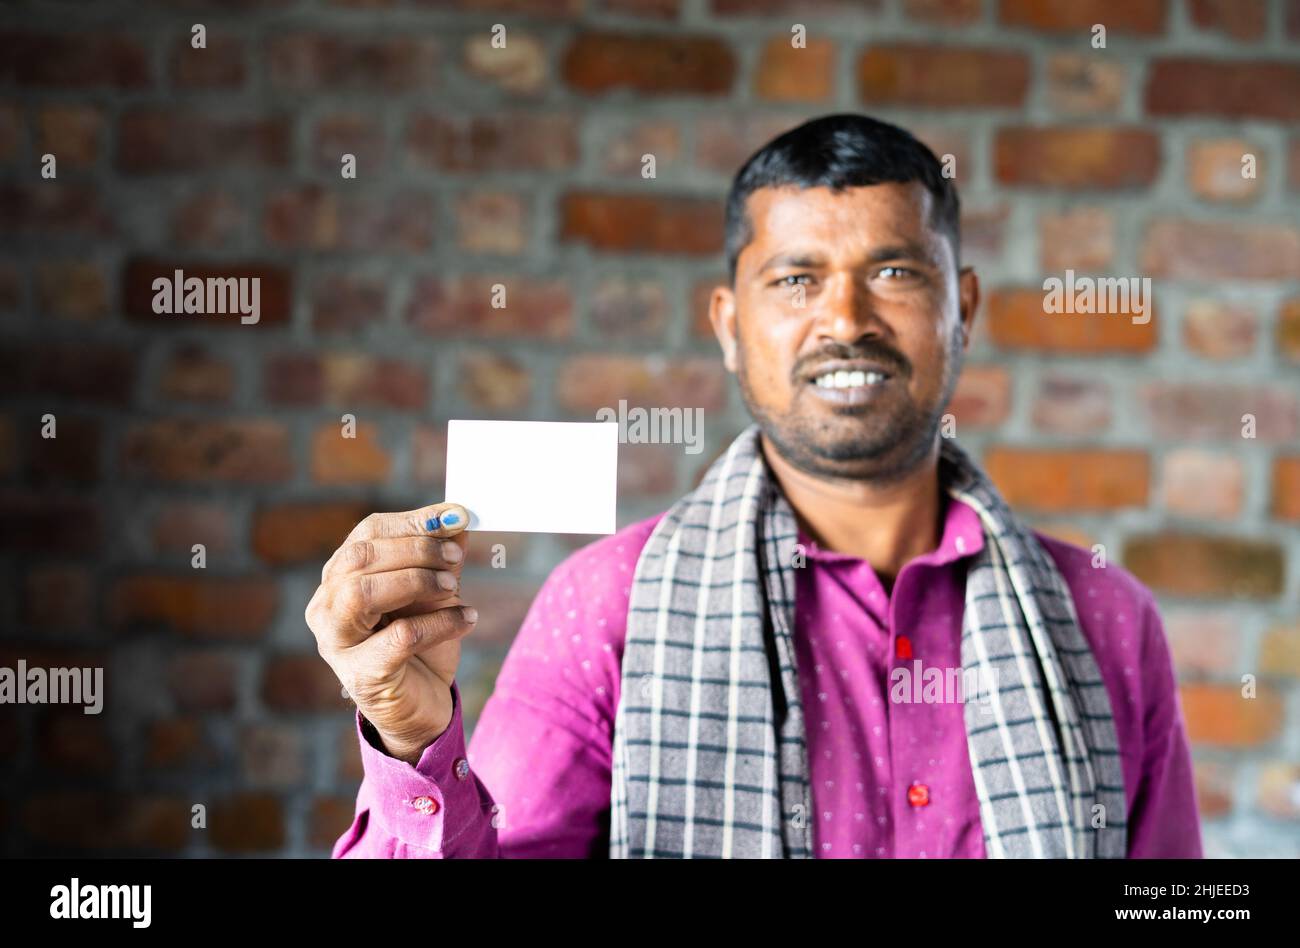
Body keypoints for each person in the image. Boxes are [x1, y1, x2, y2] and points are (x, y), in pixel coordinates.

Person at [309, 113, 1202, 859]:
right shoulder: (608, 607)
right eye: (796, 280)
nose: (846, 320)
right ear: (730, 326)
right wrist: (414, 742)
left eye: (894, 272)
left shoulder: (1106, 619)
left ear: (962, 308)